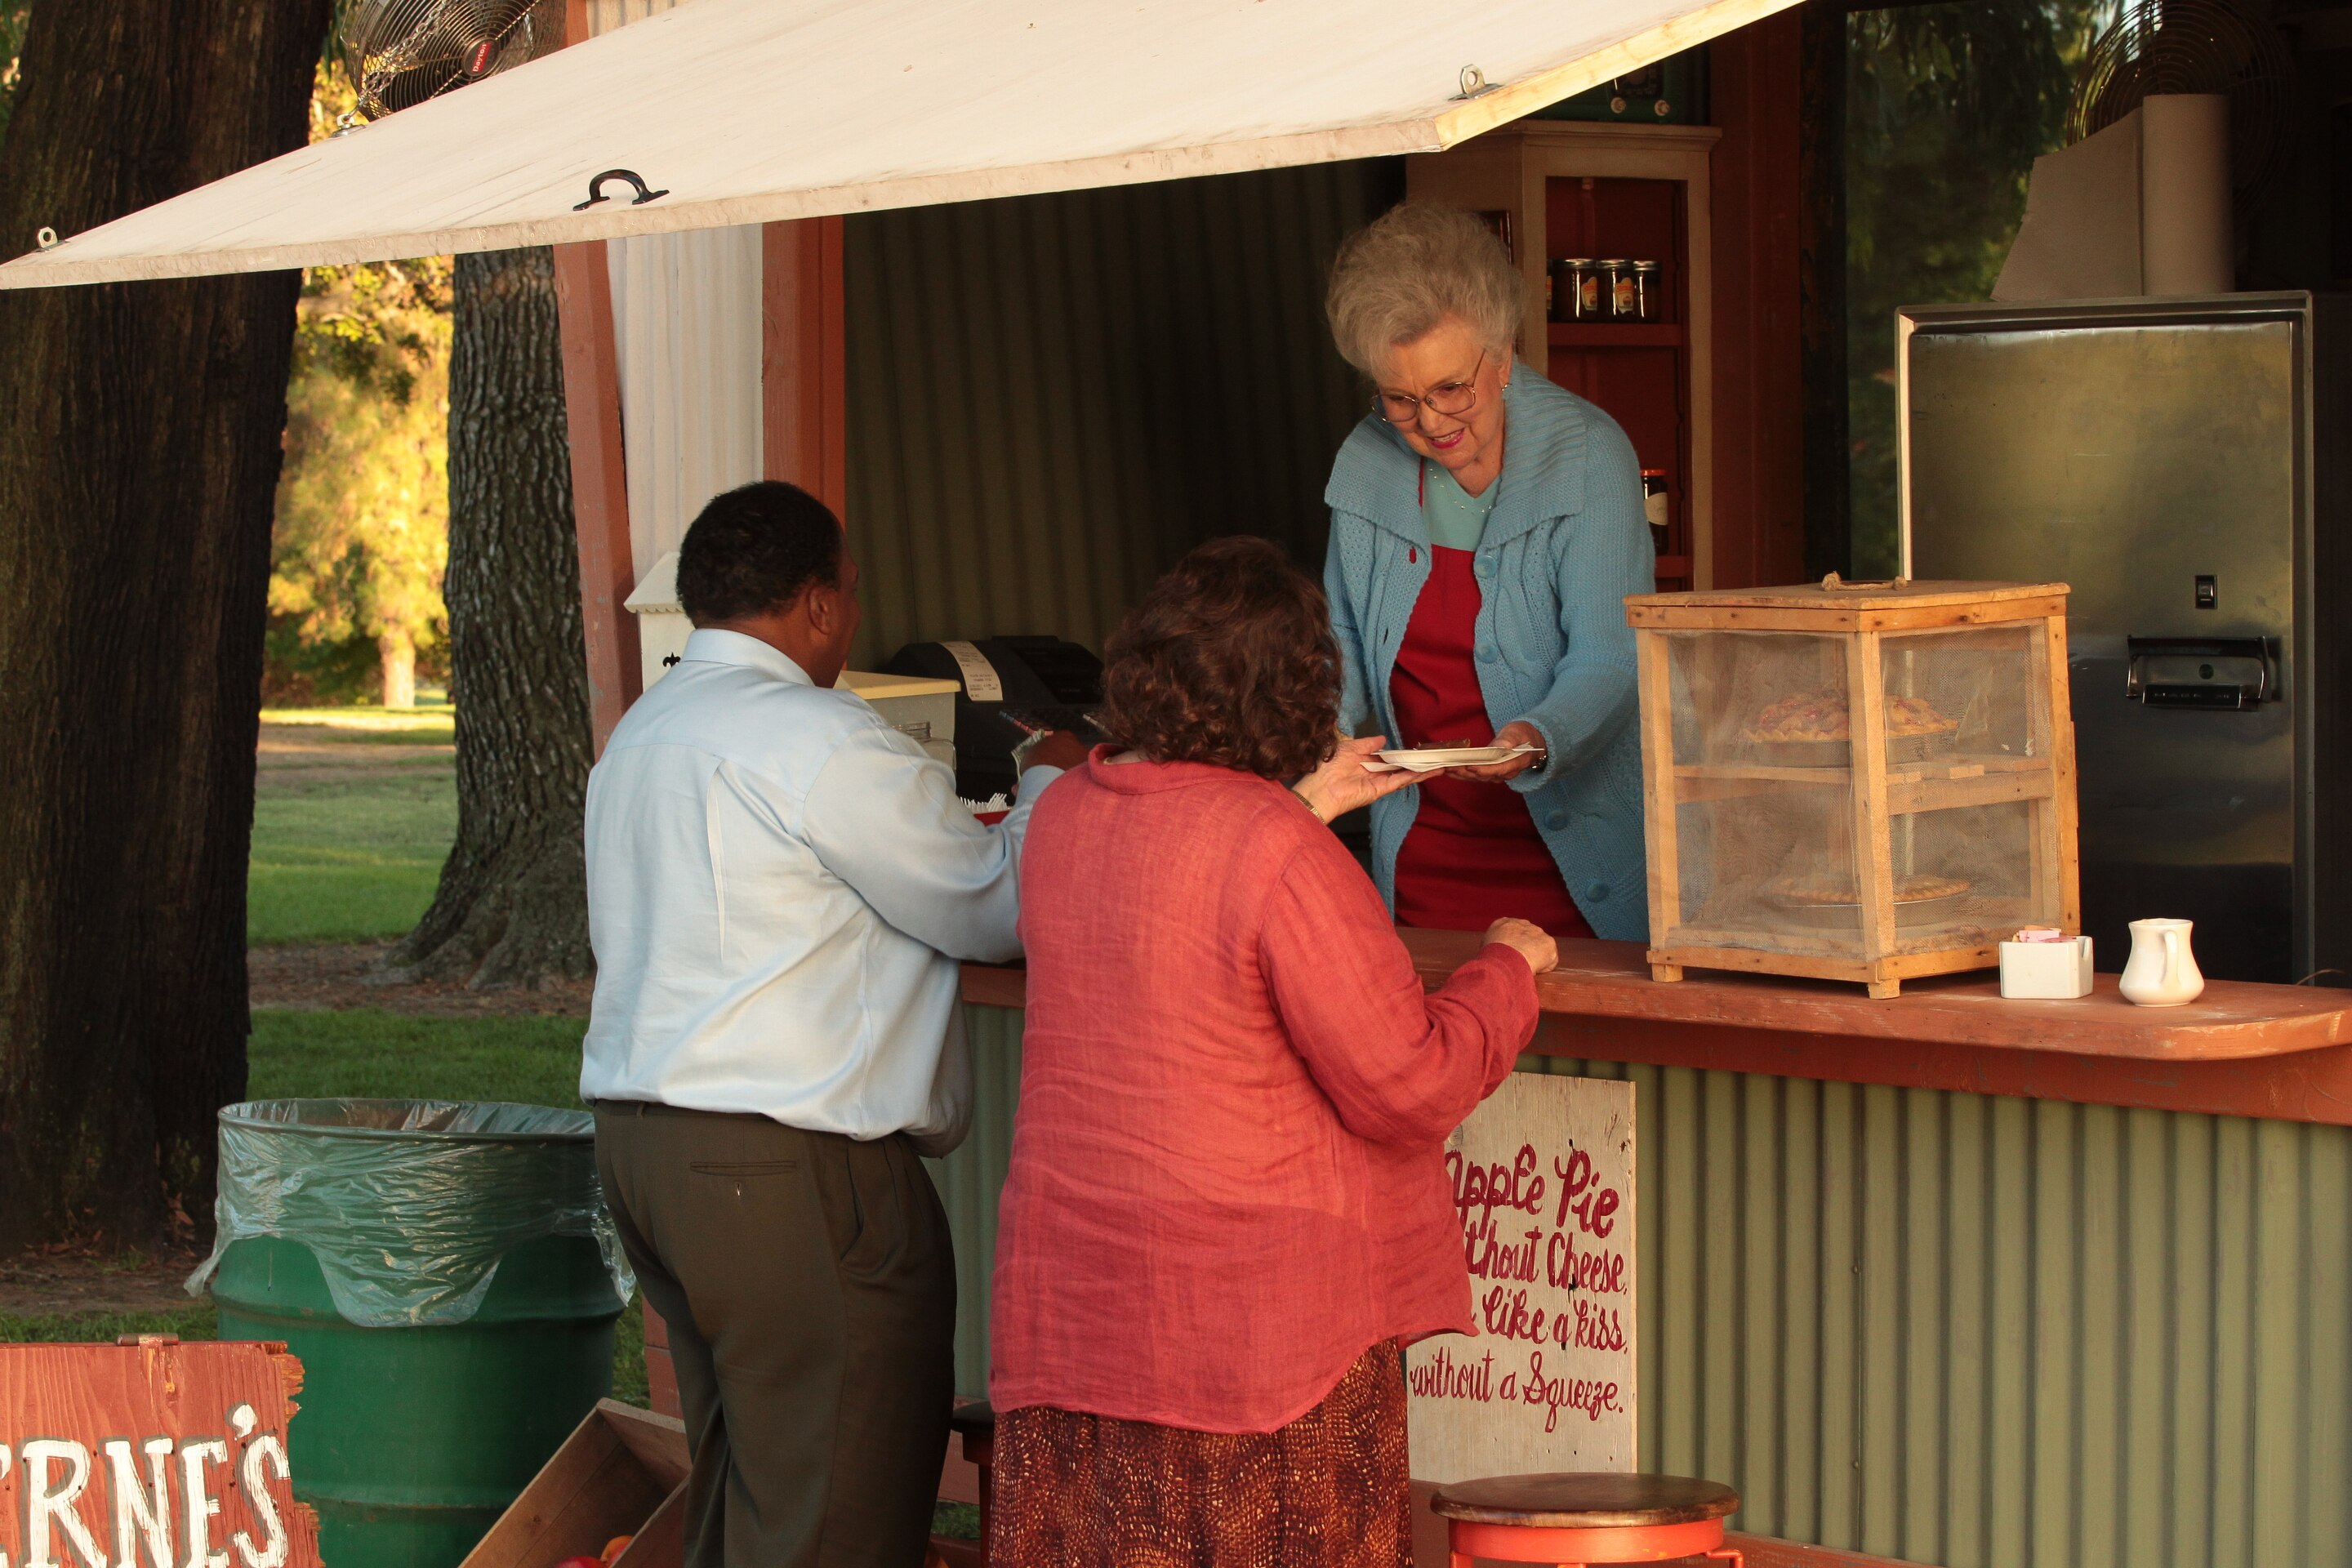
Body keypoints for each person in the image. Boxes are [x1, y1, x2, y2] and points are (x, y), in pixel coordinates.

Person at [987, 537, 1559, 1568]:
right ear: (1297, 695)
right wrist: (1506, 974)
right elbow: (1409, 1082)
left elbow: (1182, 884)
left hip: (1078, 1316)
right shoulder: (1276, 851)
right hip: (1251, 1343)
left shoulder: (1066, 816)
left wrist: (1299, 805)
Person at [580, 480, 1086, 1568]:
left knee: (750, 1500)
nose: (850, 622)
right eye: (849, 598)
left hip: (648, 1150)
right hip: (787, 1169)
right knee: (834, 1518)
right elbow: (995, 908)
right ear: (817, 603)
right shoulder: (815, 736)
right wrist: (1048, 788)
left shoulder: (644, 731)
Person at [1321, 202, 1652, 940]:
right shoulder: (1367, 464)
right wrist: (1321, 741)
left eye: (1451, 390)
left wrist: (1536, 736)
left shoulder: (1590, 457)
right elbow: (1336, 640)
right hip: (1424, 866)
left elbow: (1610, 655)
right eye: (1401, 399)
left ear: (1502, 357)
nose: (1433, 422)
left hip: (1576, 871)